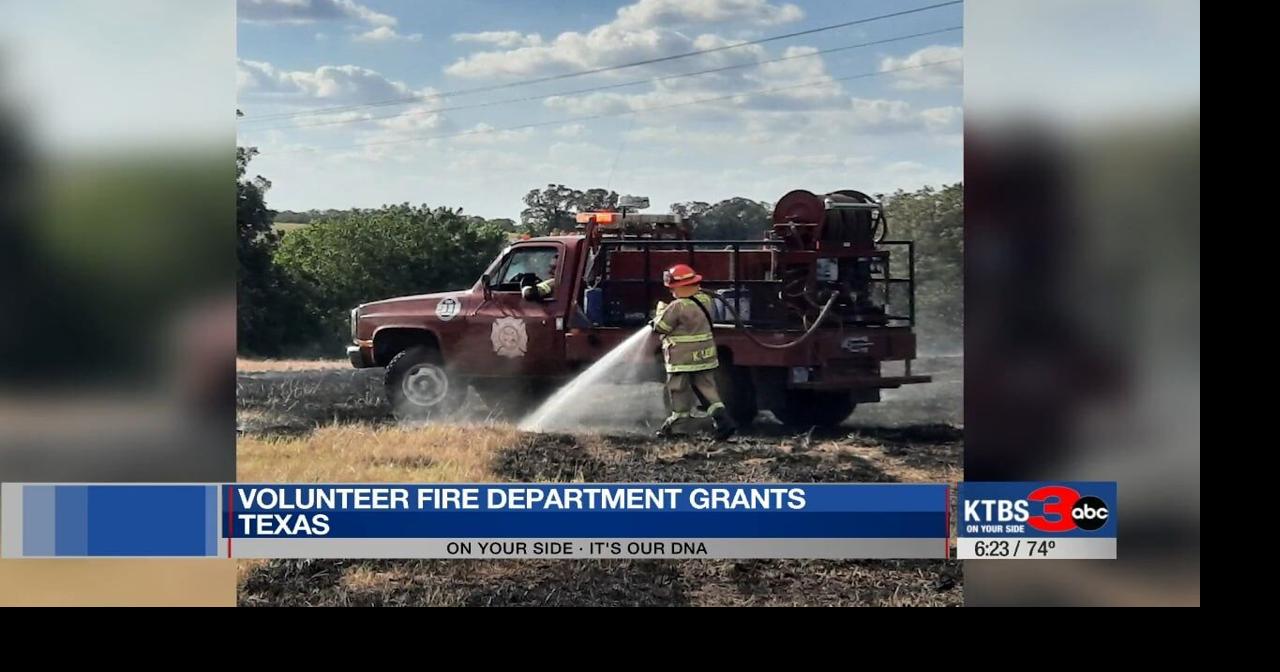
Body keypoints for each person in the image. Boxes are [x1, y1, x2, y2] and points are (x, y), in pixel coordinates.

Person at [650, 263, 736, 439]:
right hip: (705, 355)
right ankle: (723, 422)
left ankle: (678, 427)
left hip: (682, 359)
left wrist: (659, 313)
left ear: (680, 287)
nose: (671, 291)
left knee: (678, 390)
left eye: (672, 288)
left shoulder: (677, 306)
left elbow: (661, 327)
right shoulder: (706, 300)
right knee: (707, 388)